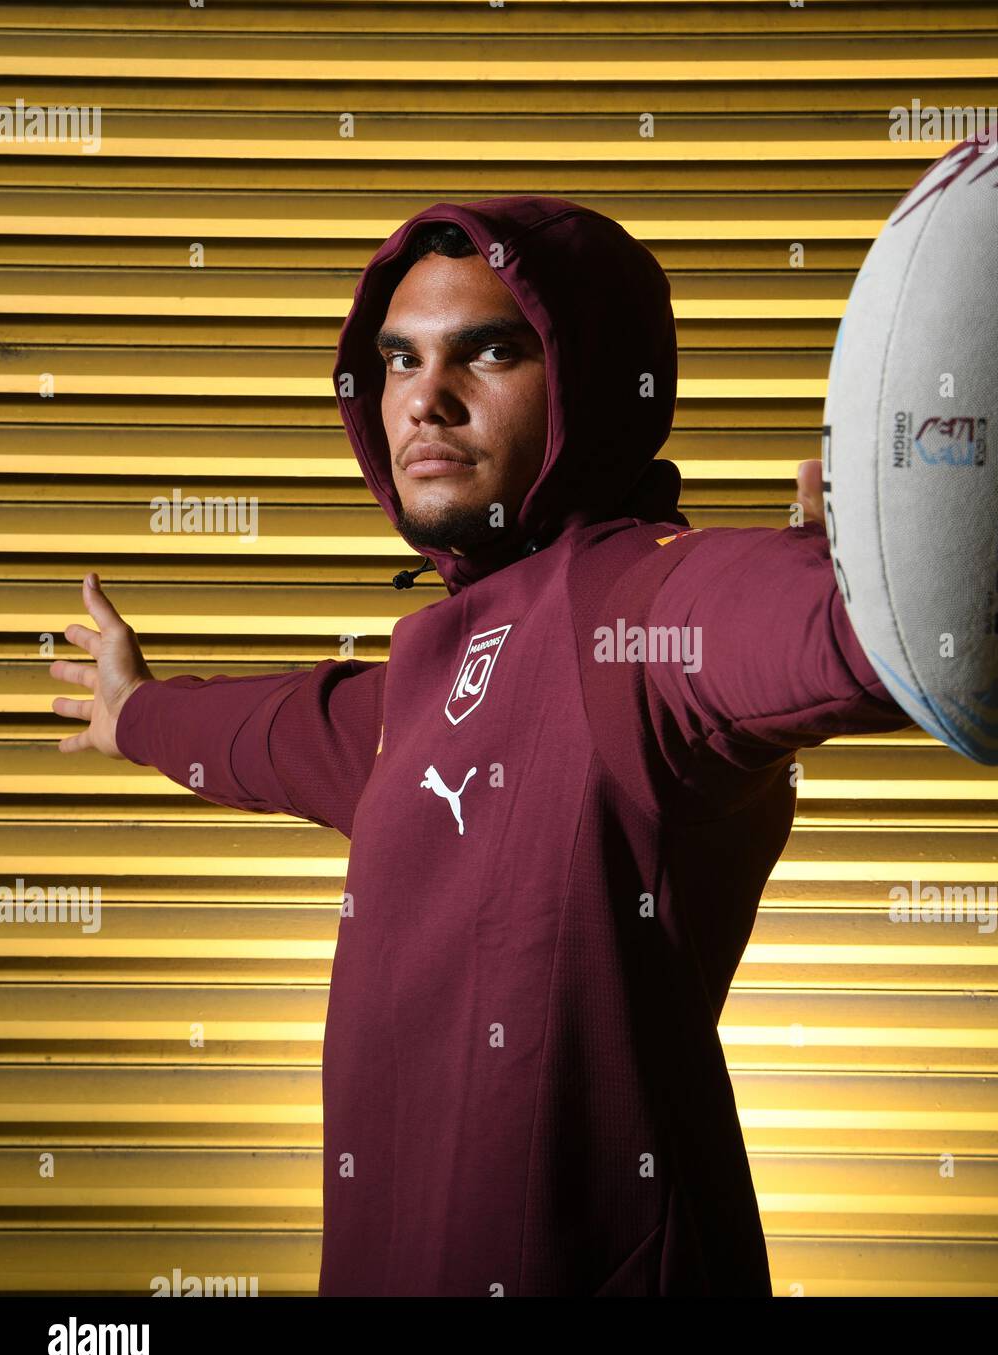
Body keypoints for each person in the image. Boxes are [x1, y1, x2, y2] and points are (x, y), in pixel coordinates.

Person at [49, 195, 913, 1296]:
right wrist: (137, 716)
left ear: (587, 381)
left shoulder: (643, 603)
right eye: (398, 360)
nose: (425, 399)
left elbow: (814, 640)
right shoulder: (426, 678)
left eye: (490, 352)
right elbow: (285, 726)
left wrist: (874, 598)